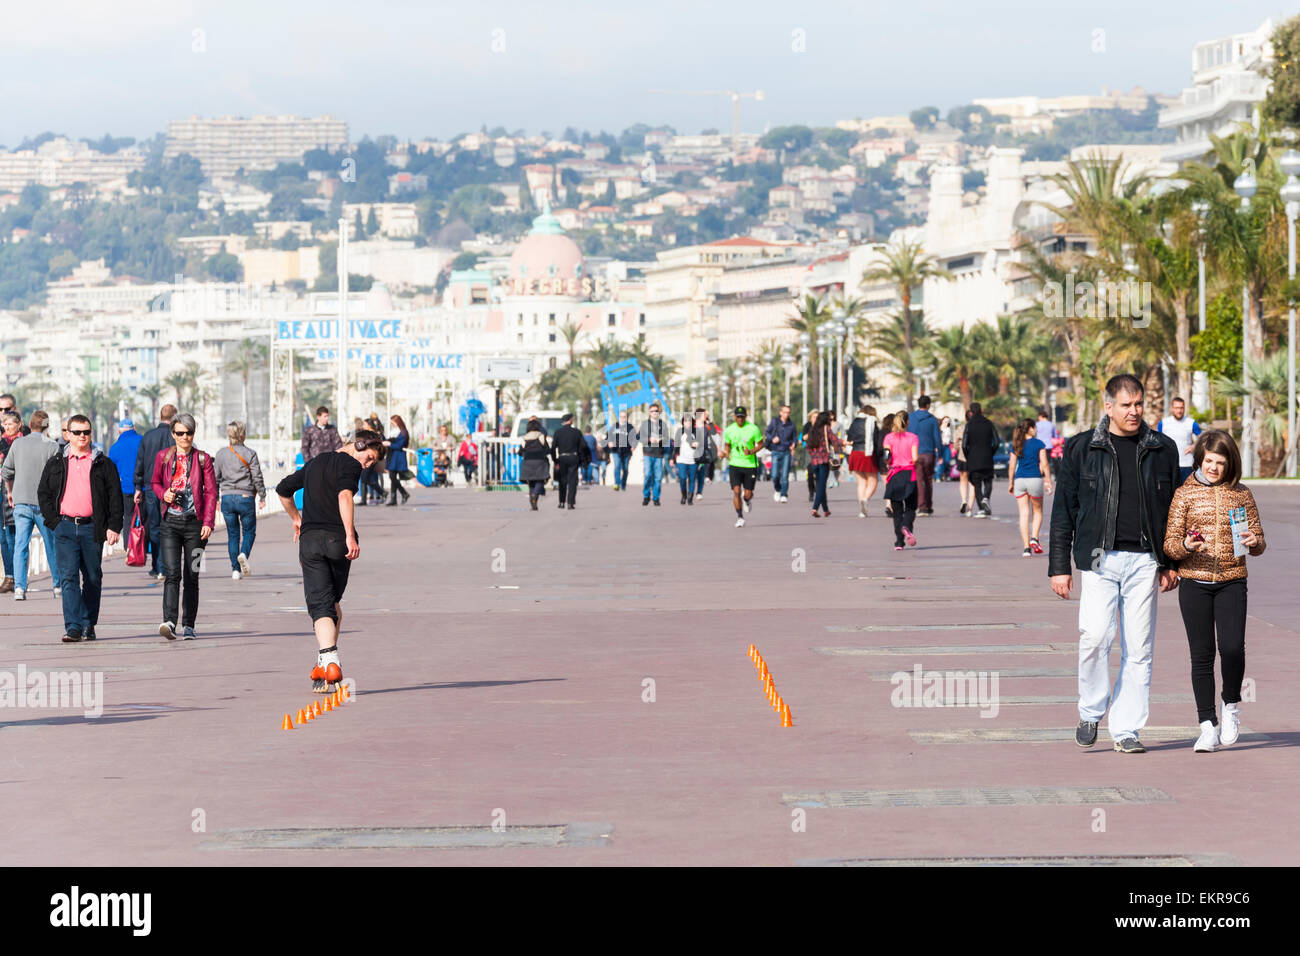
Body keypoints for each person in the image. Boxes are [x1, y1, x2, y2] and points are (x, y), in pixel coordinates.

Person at [1049, 373, 1182, 755]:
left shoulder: (1163, 449)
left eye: (1139, 404)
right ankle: (1090, 710)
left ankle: (1126, 729)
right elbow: (1064, 511)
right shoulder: (1081, 448)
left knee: (1139, 647)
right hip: (1098, 557)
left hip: (1144, 560)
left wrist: (1171, 561)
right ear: (1108, 406)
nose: (1134, 411)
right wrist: (1059, 566)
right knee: (1094, 637)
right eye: (1126, 405)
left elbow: (1174, 511)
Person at [1163, 430, 1266, 753]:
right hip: (1194, 582)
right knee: (1202, 655)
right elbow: (1170, 543)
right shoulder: (1184, 495)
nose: (1214, 468)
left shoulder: (1242, 494)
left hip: (1232, 580)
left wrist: (1254, 541)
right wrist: (1185, 545)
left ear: (1229, 463)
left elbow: (1260, 541)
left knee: (1233, 648)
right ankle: (1207, 724)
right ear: (1199, 459)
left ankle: (1231, 705)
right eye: (1209, 461)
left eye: (1221, 462)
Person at [276, 429, 386, 693]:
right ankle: (329, 661)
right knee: (330, 605)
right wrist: (350, 536)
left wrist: (296, 519)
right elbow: (345, 496)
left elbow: (282, 490)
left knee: (324, 606)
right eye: (369, 458)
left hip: (311, 542)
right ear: (358, 445)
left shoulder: (314, 463)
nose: (368, 465)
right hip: (337, 543)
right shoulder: (350, 465)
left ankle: (326, 661)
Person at [36, 414, 123, 642]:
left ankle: (88, 623)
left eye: (86, 432)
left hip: (92, 528)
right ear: (68, 435)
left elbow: (115, 496)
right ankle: (73, 626)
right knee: (68, 578)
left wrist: (113, 526)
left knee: (93, 577)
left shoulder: (103, 463)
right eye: (77, 432)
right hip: (64, 527)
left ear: (91, 434)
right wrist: (54, 522)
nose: (82, 436)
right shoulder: (56, 462)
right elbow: (43, 494)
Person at [150, 413, 217, 640]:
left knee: (193, 574)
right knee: (171, 574)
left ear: (193, 433)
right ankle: (169, 621)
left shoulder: (203, 459)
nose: (184, 437)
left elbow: (211, 493)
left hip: (196, 527)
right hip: (170, 524)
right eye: (180, 433)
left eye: (188, 433)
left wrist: (208, 522)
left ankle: (189, 624)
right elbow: (155, 482)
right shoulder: (164, 457)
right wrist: (164, 493)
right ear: (173, 434)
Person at [3, 410, 62, 601]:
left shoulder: (18, 444)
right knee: (51, 545)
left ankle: (20, 588)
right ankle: (57, 585)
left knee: (21, 545)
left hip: (21, 501)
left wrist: (11, 492)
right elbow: (58, 477)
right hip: (44, 504)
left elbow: (7, 472)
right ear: (46, 425)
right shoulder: (52, 446)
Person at [214, 420, 266, 580]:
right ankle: (243, 553)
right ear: (243, 435)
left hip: (227, 497)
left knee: (233, 535)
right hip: (246, 497)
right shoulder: (250, 454)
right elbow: (257, 477)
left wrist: (216, 498)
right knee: (249, 531)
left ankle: (235, 570)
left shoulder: (221, 454)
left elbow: (215, 478)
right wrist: (262, 495)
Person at [134, 404, 177, 580]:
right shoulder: (176, 437)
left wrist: (138, 487)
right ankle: (167, 566)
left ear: (160, 416)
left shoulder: (148, 436)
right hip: (172, 487)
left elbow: (140, 462)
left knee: (154, 526)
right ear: (174, 417)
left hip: (151, 487)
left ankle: (158, 567)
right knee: (171, 526)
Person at [1007, 417, 1052, 557]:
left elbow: (1012, 466)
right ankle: (1034, 538)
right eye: (1035, 427)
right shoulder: (1039, 444)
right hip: (1035, 479)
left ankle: (1026, 548)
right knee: (1037, 511)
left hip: (1020, 480)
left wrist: (1011, 483)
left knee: (1023, 514)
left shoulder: (1016, 444)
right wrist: (1048, 481)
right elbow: (1044, 464)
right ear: (1031, 428)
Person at [722, 405, 765, 527]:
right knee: (736, 491)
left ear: (745, 417)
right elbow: (727, 446)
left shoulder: (753, 429)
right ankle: (740, 517)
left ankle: (747, 500)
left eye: (742, 417)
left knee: (747, 493)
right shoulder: (729, 430)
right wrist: (724, 453)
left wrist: (751, 451)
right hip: (735, 464)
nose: (740, 419)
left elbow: (761, 444)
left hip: (750, 465)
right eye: (738, 417)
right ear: (734, 417)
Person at [883, 411, 920, 550]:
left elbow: (886, 456)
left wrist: (889, 464)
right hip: (909, 474)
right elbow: (915, 458)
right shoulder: (913, 437)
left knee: (897, 510)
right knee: (910, 507)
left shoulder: (888, 438)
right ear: (908, 422)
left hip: (894, 475)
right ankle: (906, 526)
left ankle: (899, 542)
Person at [961, 402, 999, 518]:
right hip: (987, 457)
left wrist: (968, 456)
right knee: (988, 480)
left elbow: (963, 444)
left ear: (971, 412)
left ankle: (982, 507)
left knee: (976, 484)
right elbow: (996, 442)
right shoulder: (989, 423)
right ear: (981, 410)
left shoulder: (969, 425)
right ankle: (986, 498)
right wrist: (991, 452)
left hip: (973, 458)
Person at [107, 419, 141, 545]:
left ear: (119, 431)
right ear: (134, 428)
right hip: (143, 488)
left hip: (124, 488)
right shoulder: (143, 442)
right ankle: (144, 547)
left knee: (127, 517)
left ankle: (129, 548)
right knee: (145, 518)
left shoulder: (114, 448)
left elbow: (111, 472)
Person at [907, 395, 943, 515]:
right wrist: (941, 454)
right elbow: (937, 438)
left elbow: (907, 436)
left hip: (914, 453)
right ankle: (928, 505)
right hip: (929, 453)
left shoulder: (911, 418)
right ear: (928, 405)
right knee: (928, 480)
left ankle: (921, 506)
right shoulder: (932, 419)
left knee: (919, 480)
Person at [805, 410, 841, 519]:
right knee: (821, 486)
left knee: (820, 484)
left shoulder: (812, 429)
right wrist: (845, 443)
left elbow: (808, 445)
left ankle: (826, 510)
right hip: (824, 461)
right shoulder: (826, 429)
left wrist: (813, 455)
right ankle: (815, 508)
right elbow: (835, 440)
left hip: (814, 461)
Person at [1158, 397, 1202, 484]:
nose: (1179, 410)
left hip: (1186, 464)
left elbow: (1203, 438)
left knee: (1187, 492)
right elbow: (1158, 441)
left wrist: (1194, 446)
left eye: (1181, 408)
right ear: (1172, 408)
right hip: (1168, 464)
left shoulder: (1191, 423)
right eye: (1177, 408)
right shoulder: (1163, 423)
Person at [847, 404, 880, 518]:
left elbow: (849, 437)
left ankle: (862, 508)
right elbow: (876, 439)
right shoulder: (872, 422)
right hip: (867, 453)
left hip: (855, 452)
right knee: (873, 480)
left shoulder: (854, 422)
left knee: (861, 481)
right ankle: (865, 500)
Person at [0, 412, 20, 592]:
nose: (7, 428)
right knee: (2, 537)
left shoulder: (21, 442)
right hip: (2, 491)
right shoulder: (3, 441)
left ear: (18, 425)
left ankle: (16, 576)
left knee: (12, 535)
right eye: (5, 424)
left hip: (13, 492)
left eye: (10, 424)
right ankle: (9, 575)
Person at [552, 413, 588, 510]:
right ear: (570, 421)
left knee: (562, 481)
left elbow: (553, 447)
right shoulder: (576, 432)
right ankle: (570, 503)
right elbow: (583, 446)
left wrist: (555, 460)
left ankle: (561, 502)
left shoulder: (557, 432)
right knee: (572, 481)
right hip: (573, 457)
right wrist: (584, 460)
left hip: (562, 458)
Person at [636, 403, 669, 507]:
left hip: (659, 454)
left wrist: (661, 440)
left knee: (658, 478)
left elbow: (668, 439)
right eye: (652, 411)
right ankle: (646, 496)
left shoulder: (663, 424)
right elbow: (639, 437)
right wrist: (649, 439)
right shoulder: (645, 424)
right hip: (648, 453)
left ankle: (656, 498)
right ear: (649, 413)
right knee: (647, 475)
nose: (654, 413)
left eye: (656, 411)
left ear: (659, 412)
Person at [764, 404, 797, 503]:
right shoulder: (775, 422)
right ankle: (777, 489)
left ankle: (784, 494)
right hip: (775, 450)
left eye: (788, 412)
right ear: (780, 412)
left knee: (785, 475)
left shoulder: (791, 425)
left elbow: (794, 437)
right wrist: (772, 438)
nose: (787, 414)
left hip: (786, 451)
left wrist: (793, 444)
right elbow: (767, 432)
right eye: (785, 412)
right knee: (774, 475)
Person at [519, 417, 553, 510]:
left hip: (527, 462)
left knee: (531, 483)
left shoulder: (524, 438)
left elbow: (520, 452)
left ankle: (533, 503)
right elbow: (547, 449)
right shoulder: (541, 436)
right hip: (540, 462)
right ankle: (534, 496)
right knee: (540, 481)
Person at [671, 412, 703, 505]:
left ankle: (690, 497)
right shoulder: (679, 432)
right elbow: (675, 446)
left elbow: (701, 444)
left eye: (689, 421)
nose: (688, 422)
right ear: (683, 422)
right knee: (682, 478)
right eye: (686, 421)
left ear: (692, 422)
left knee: (692, 479)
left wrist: (697, 444)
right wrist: (672, 458)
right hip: (681, 460)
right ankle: (684, 495)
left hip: (693, 460)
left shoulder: (696, 432)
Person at [384, 415, 410, 506]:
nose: (392, 424)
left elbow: (399, 445)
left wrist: (389, 444)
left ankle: (404, 493)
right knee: (392, 476)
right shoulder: (394, 431)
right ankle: (393, 499)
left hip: (398, 457)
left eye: (393, 423)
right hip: (392, 456)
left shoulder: (403, 432)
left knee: (393, 477)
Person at [609, 409, 635, 492]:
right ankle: (617, 483)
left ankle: (623, 484)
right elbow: (608, 436)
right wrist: (610, 442)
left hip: (627, 451)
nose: (622, 418)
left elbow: (635, 438)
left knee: (625, 469)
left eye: (624, 417)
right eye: (621, 417)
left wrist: (634, 445)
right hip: (616, 450)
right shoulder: (614, 426)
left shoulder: (630, 427)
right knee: (617, 466)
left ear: (626, 417)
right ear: (619, 417)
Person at [954, 410, 974, 514]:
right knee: (973, 483)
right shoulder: (977, 428)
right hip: (975, 458)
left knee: (963, 479)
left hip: (962, 457)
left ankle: (963, 500)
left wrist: (959, 450)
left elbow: (955, 444)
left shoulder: (960, 428)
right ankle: (970, 508)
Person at [801, 410, 819, 503]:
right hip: (809, 450)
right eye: (814, 417)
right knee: (810, 472)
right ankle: (811, 492)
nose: (816, 419)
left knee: (820, 472)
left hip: (820, 451)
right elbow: (804, 437)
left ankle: (819, 491)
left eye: (817, 417)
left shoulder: (822, 426)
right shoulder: (807, 426)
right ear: (810, 418)